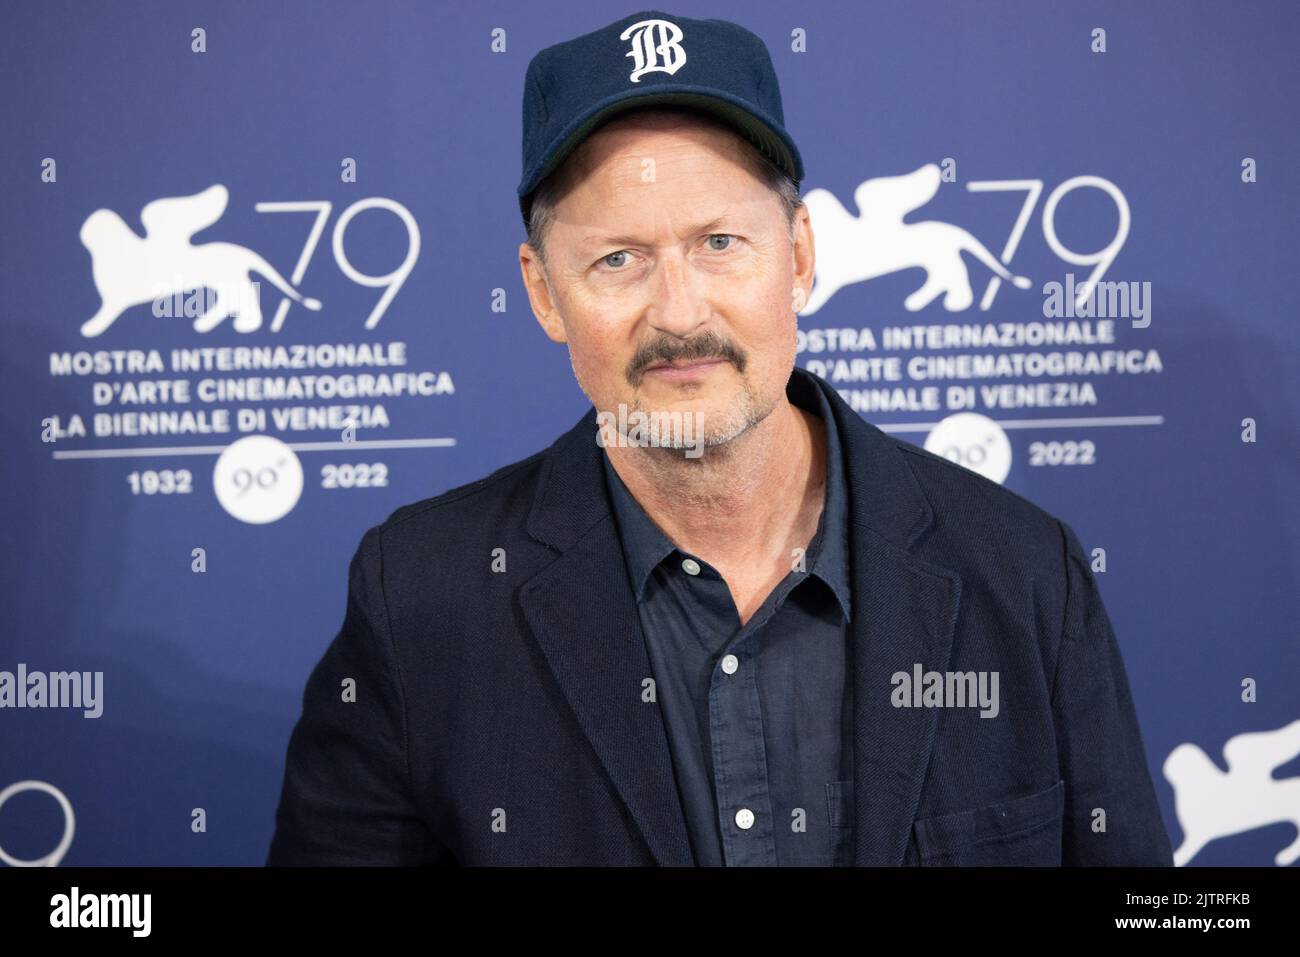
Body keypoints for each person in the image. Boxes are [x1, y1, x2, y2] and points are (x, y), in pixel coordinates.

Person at [266, 9, 1173, 866]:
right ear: (542, 292)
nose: (679, 311)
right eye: (617, 259)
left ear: (803, 255)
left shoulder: (1022, 572)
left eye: (720, 242)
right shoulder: (422, 599)